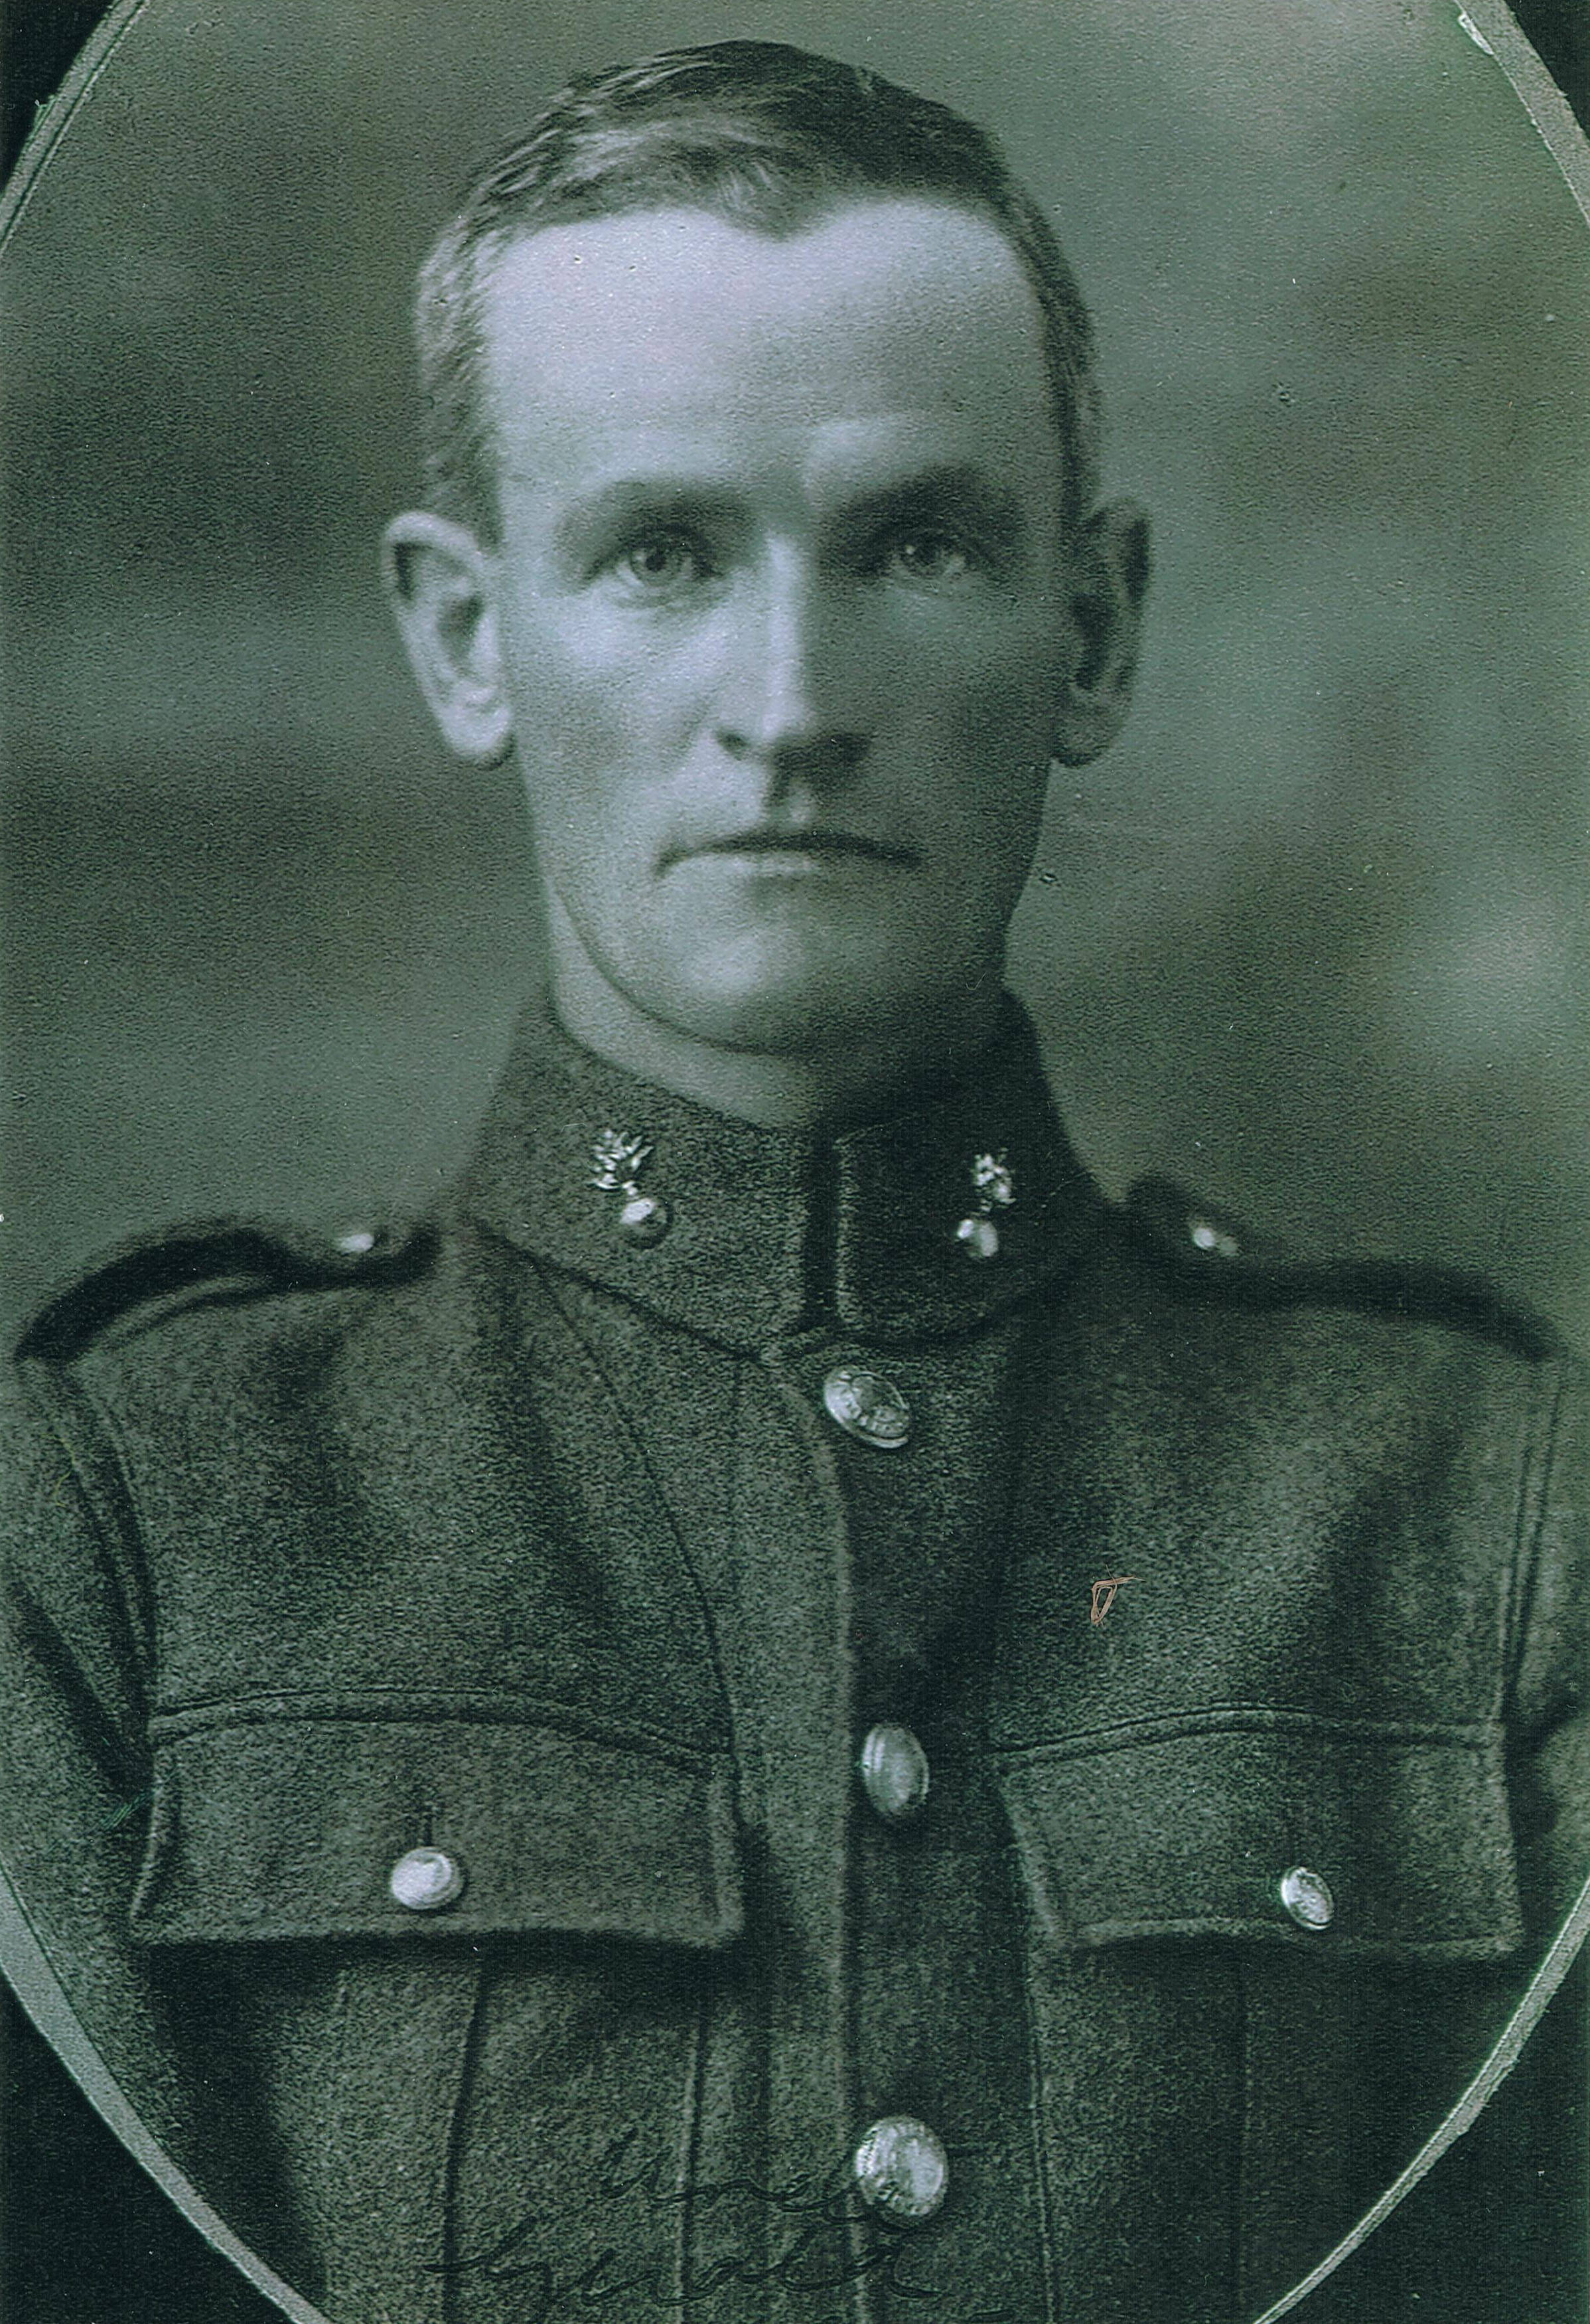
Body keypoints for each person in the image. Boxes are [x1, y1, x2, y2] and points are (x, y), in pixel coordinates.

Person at [1, 39, 1585, 2324]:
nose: (791, 693)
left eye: (914, 543)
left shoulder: (1483, 1514)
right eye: (658, 552)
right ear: (469, 639)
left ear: (1096, 628)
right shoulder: (116, 1523)